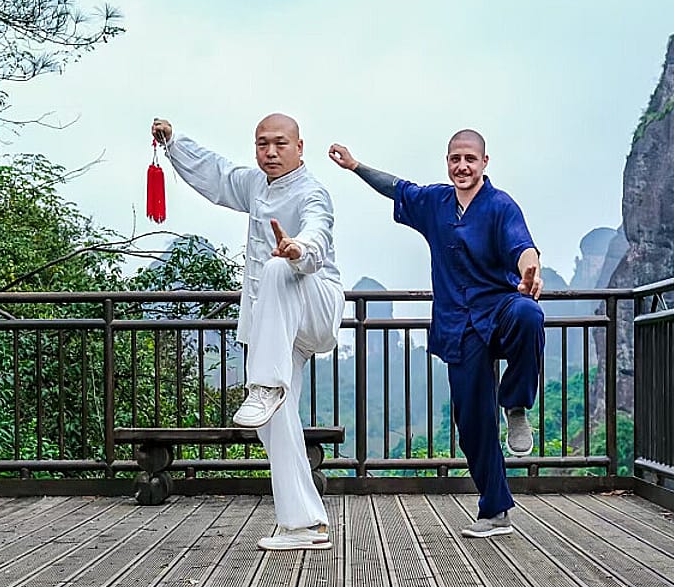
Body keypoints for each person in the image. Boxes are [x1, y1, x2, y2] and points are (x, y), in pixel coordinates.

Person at [328, 129, 544, 538]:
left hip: (498, 310)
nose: (462, 166)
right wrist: (355, 166)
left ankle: (516, 404)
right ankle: (495, 510)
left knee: (529, 314)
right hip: (457, 325)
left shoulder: (500, 205)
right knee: (472, 422)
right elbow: (396, 188)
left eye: (470, 159)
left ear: (484, 163)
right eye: (455, 159)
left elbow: (523, 248)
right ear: (448, 162)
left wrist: (530, 272)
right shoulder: (434, 202)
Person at [152, 114, 343, 551]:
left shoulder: (313, 192)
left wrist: (299, 249)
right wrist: (174, 142)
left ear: (300, 146)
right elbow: (218, 173)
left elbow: (318, 230)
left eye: (279, 144)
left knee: (278, 267)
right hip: (274, 322)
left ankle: (266, 384)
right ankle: (304, 524)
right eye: (262, 145)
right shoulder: (256, 185)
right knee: (274, 424)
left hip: (313, 303)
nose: (270, 153)